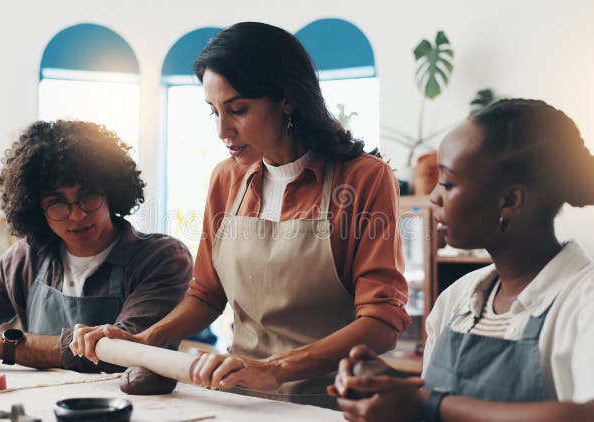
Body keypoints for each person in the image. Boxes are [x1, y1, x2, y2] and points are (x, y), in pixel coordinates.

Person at [70, 21, 409, 408]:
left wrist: (274, 369)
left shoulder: (364, 178)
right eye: (213, 112)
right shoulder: (226, 179)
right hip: (239, 399)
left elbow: (382, 324)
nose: (222, 130)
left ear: (287, 98)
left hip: (328, 402)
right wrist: (145, 340)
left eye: (238, 110)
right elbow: (206, 294)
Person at [329, 99, 594, 421]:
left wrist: (426, 405)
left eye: (447, 182)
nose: (433, 197)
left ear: (510, 200)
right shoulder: (456, 301)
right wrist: (390, 387)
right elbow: (440, 403)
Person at [0, 121, 192, 380]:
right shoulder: (29, 256)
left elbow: (120, 350)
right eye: (57, 202)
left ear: (112, 192)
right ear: (37, 209)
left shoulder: (161, 259)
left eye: (87, 197)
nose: (76, 215)